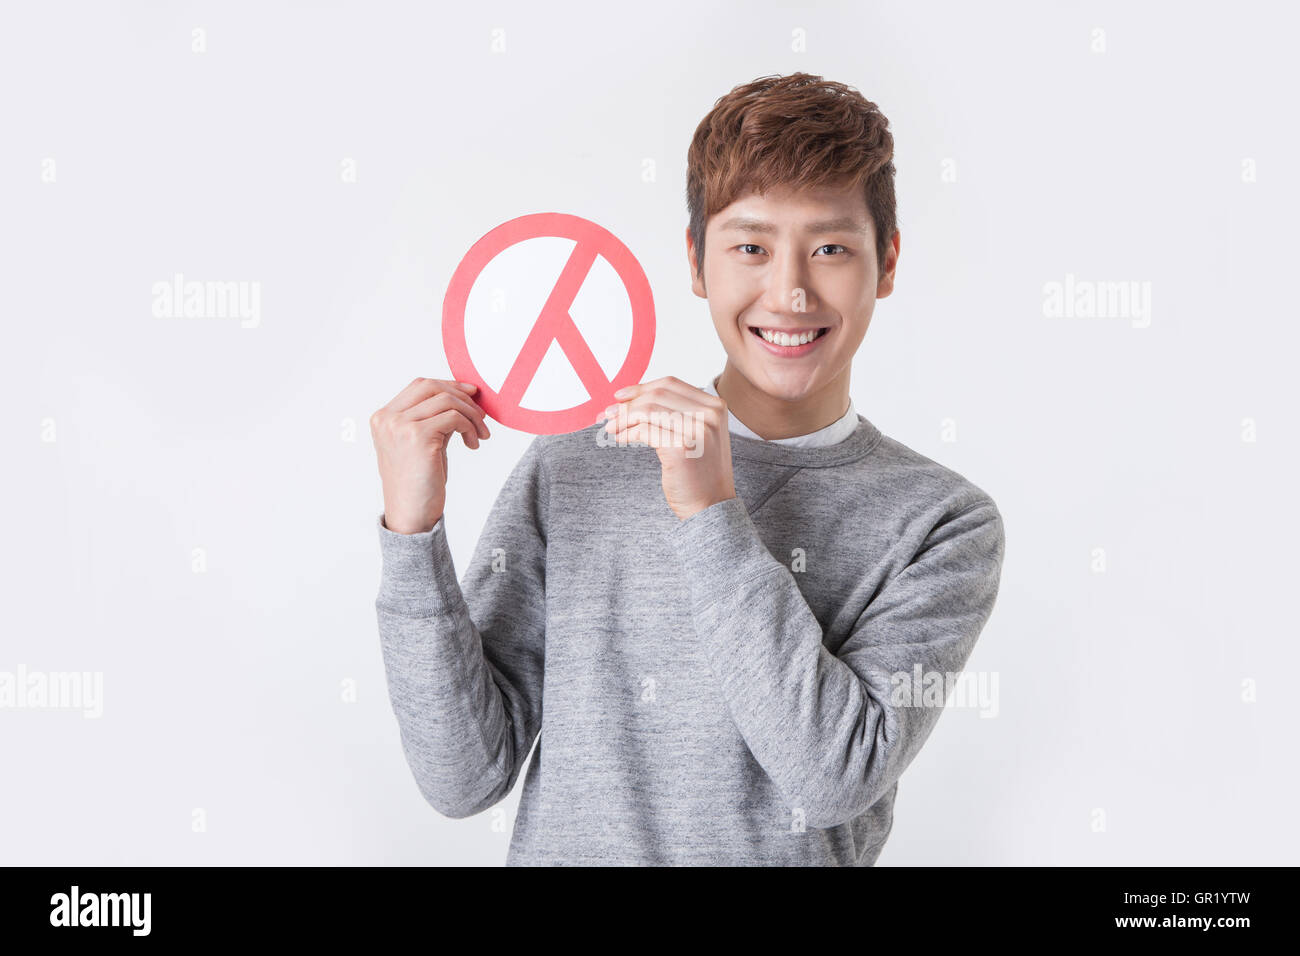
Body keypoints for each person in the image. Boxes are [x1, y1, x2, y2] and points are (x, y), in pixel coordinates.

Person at [369, 72, 1005, 865]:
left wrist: (711, 515)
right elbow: (462, 777)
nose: (790, 291)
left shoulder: (941, 522)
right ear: (698, 264)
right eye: (749, 246)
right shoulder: (577, 460)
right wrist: (411, 533)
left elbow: (834, 774)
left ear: (887, 263)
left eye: (832, 248)